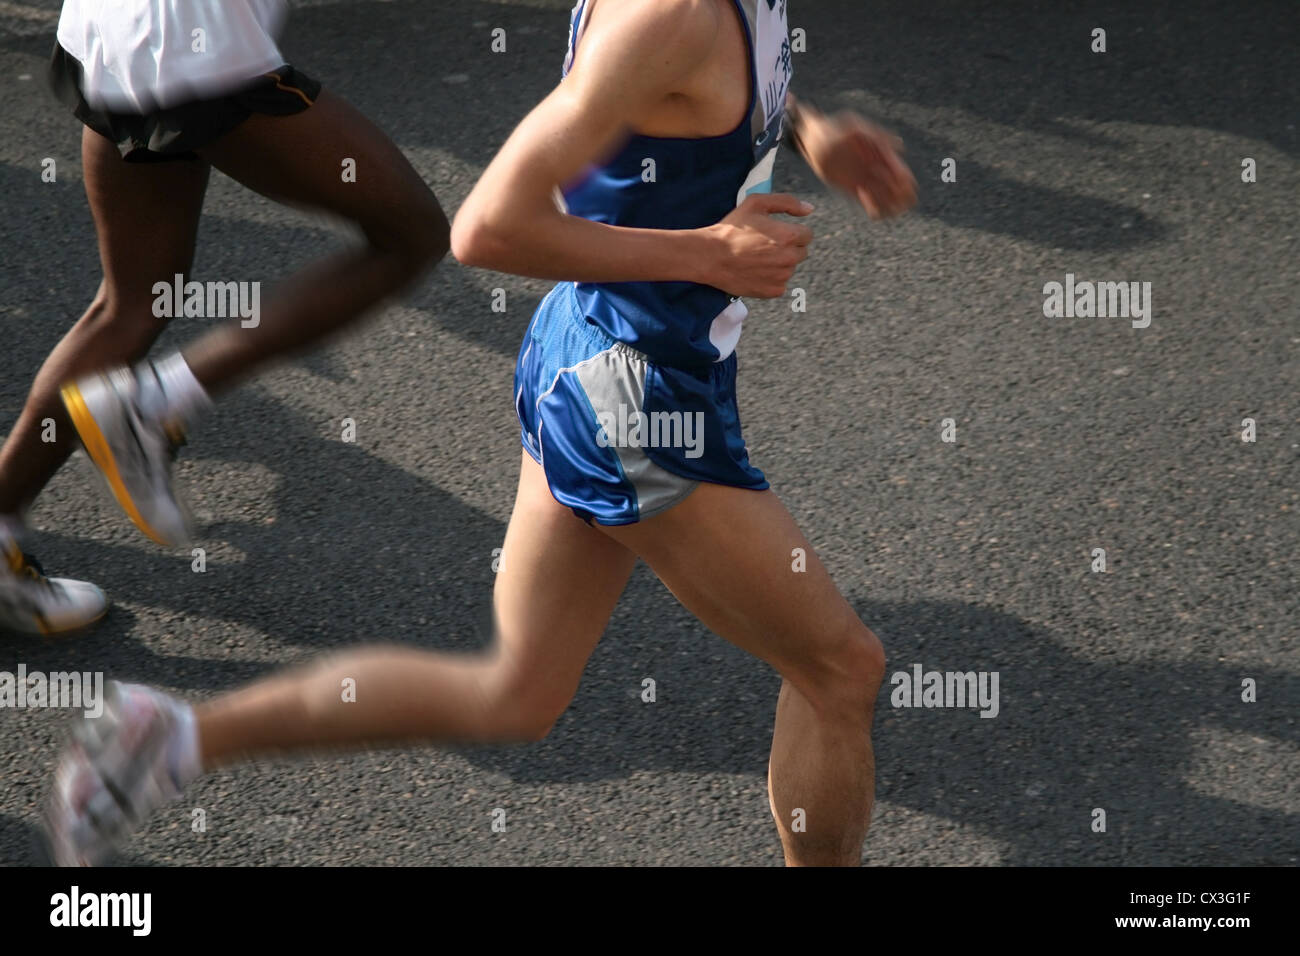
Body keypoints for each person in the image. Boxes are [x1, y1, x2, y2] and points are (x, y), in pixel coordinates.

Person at [47, 0, 915, 867]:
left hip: (597, 360)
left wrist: (804, 131)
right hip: (629, 395)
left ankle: (171, 739)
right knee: (841, 671)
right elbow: (488, 226)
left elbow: (683, 100)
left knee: (516, 695)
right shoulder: (671, 16)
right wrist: (708, 255)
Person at [0, 0, 448, 635]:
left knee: (133, 299)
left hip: (106, 29)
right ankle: (150, 408)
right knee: (410, 234)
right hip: (193, 45)